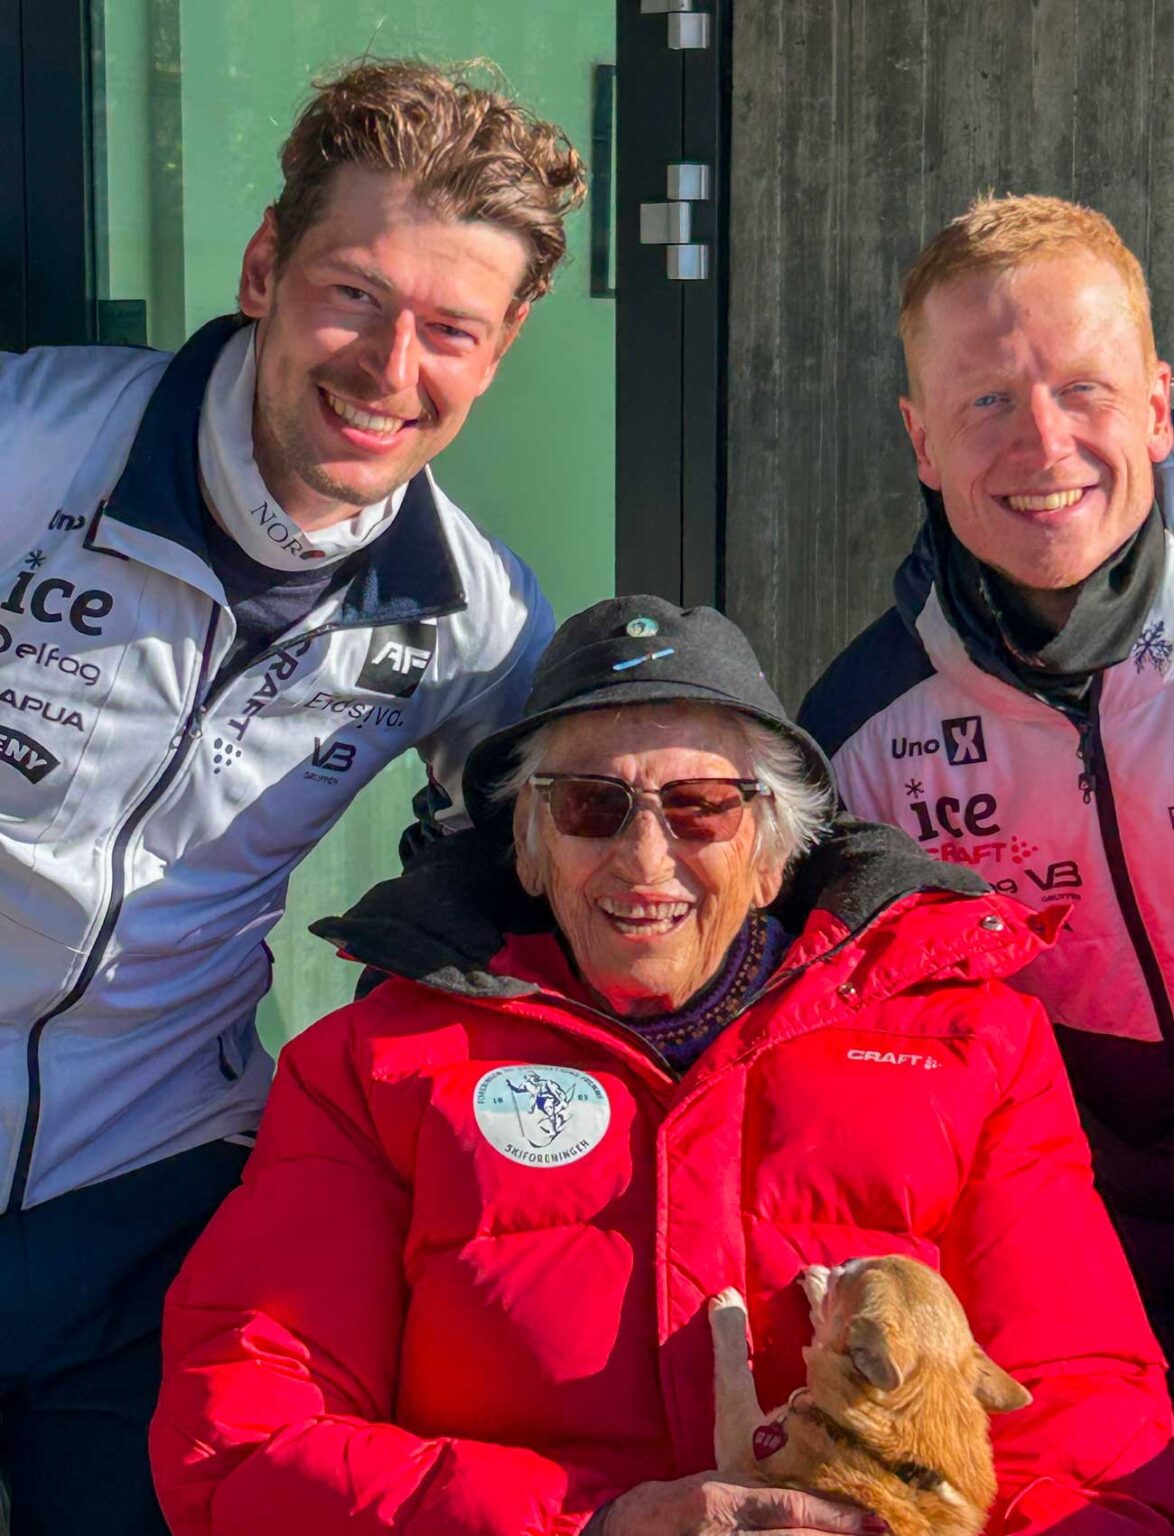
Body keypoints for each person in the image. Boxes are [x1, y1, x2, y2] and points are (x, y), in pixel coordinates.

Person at [150, 595, 1171, 1536]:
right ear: (529, 847)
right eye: (590, 806)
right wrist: (589, 1525)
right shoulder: (373, 1071)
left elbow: (1089, 1438)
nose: (645, 859)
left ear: (771, 851)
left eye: (700, 806)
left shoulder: (974, 1051)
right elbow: (241, 1439)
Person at [0, 58, 585, 1534]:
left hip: (150, 1203)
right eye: (353, 295)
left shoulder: (472, 620)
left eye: (450, 328)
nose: (391, 368)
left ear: (501, 349)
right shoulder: (22, 446)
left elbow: (584, 845)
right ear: (264, 268)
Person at [798, 192, 1174, 1365]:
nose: (1042, 444)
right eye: (988, 401)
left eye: (1082, 389)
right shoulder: (856, 732)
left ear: (1158, 408)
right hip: (1055, 1223)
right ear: (921, 441)